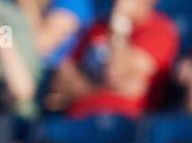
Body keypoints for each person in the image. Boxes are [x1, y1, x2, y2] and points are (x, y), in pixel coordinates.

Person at [46, 0, 178, 118]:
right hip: (78, 117)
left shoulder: (159, 30)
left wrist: (120, 23)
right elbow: (61, 79)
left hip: (125, 122)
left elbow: (116, 74)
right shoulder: (97, 28)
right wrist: (108, 89)